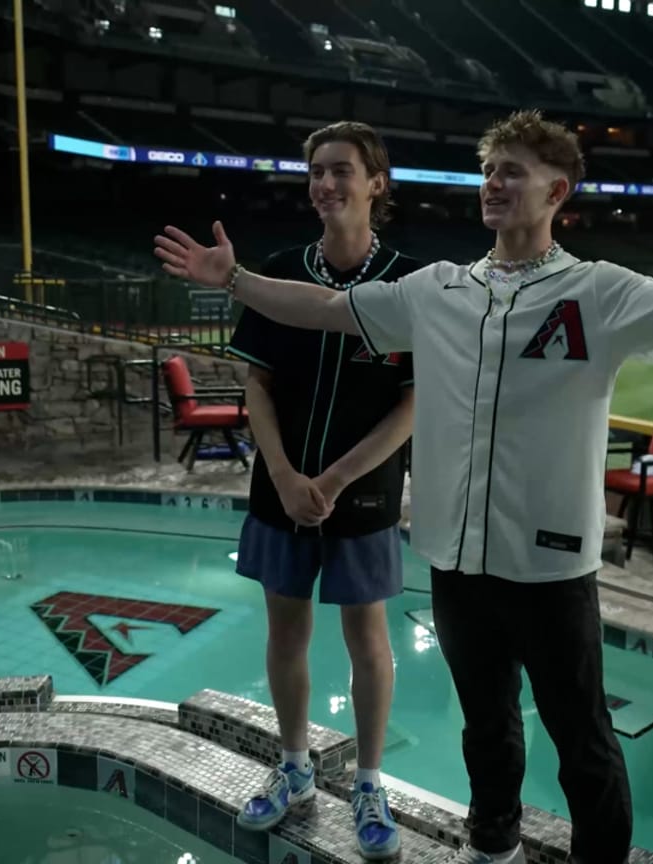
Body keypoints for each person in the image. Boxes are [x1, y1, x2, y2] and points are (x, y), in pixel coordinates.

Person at [156, 109, 653, 864]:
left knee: (583, 744)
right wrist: (234, 279)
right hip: (457, 563)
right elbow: (327, 308)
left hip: (551, 571)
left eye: (513, 172)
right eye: (488, 171)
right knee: (486, 726)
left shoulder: (598, 291)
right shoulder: (436, 289)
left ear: (557, 190)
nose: (494, 184)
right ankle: (492, 847)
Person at [223, 121, 421, 861]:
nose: (326, 184)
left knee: (368, 640)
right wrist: (279, 472)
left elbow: (415, 402)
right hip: (281, 487)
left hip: (361, 494)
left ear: (377, 182)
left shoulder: (407, 283)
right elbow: (259, 384)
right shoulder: (280, 270)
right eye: (316, 172)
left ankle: (369, 782)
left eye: (342, 170)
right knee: (285, 634)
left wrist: (334, 479)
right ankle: (296, 767)